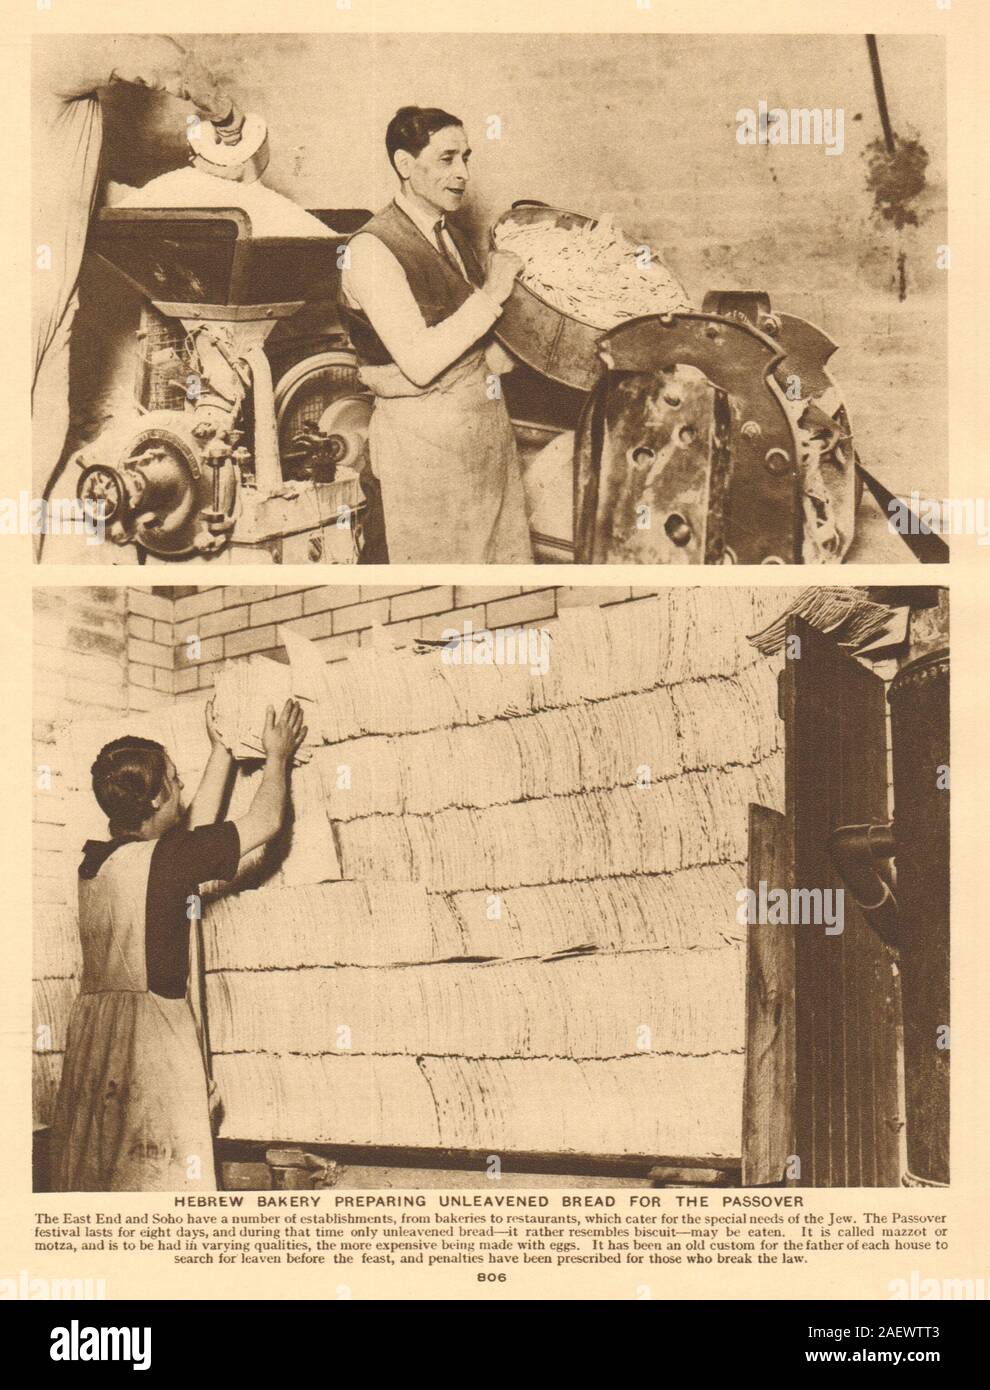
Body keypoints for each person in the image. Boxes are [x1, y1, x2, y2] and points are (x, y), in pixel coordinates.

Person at [49, 698, 307, 1192]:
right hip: (149, 1038)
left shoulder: (99, 862)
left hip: (96, 1035)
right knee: (158, 1170)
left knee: (99, 1169)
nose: (182, 787)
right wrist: (278, 756)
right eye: (175, 779)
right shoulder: (168, 861)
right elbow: (264, 822)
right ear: (153, 800)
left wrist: (222, 752)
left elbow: (193, 841)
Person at [32, 35, 244, 520]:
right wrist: (228, 119)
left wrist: (186, 195)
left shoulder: (65, 105)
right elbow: (157, 59)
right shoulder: (44, 47)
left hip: (55, 291)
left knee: (39, 437)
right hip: (24, 288)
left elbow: (73, 188)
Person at [339, 105, 534, 564]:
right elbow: (420, 363)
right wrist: (492, 295)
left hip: (481, 438)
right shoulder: (370, 249)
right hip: (424, 447)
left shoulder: (451, 237)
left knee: (498, 572)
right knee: (441, 577)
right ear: (405, 165)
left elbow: (486, 353)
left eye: (466, 157)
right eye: (447, 159)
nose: (463, 173)